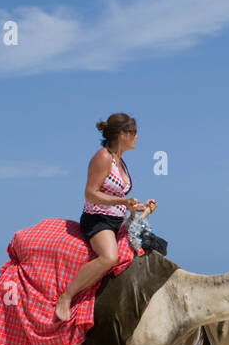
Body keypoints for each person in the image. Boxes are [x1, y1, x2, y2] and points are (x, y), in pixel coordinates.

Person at [55, 113, 157, 322]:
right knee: (109, 257)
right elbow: (90, 193)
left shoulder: (121, 161)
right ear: (122, 134)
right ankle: (66, 297)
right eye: (134, 132)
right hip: (97, 219)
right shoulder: (103, 157)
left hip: (115, 219)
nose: (137, 137)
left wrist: (138, 206)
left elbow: (117, 196)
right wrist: (122, 202)